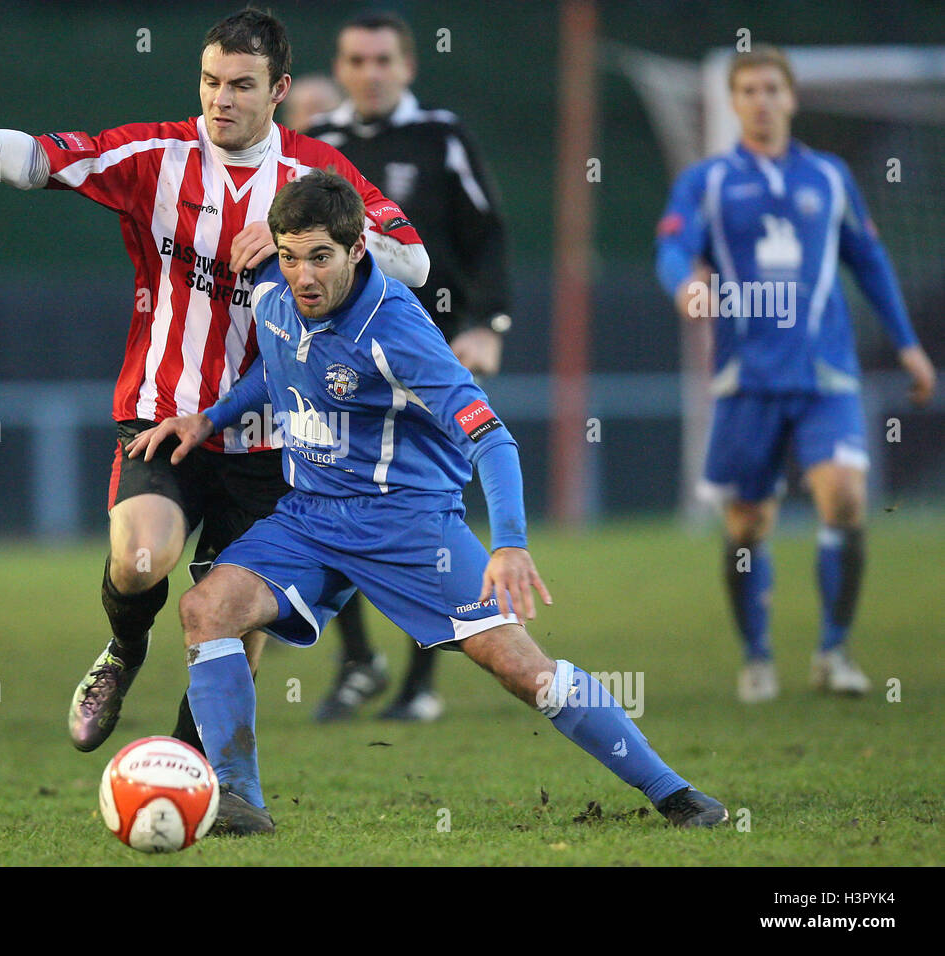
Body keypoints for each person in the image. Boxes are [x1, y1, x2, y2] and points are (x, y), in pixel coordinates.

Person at [129, 169, 727, 834]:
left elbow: (492, 439)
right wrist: (209, 419)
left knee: (522, 672)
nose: (303, 276)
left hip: (406, 525)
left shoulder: (398, 331)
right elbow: (274, 368)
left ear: (358, 251)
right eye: (290, 255)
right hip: (311, 518)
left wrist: (510, 544)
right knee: (207, 608)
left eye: (320, 258)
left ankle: (676, 794)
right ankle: (239, 802)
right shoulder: (274, 293)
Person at [0, 9, 430, 754]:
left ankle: (190, 765)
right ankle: (124, 651)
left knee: (234, 615)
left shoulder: (315, 175)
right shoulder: (159, 154)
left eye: (242, 85)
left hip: (272, 438)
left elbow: (413, 260)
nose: (222, 99)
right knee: (141, 556)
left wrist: (310, 241)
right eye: (212, 81)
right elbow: (45, 160)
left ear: (278, 89)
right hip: (165, 413)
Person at [656, 46, 936, 703]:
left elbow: (869, 261)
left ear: (791, 98)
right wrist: (685, 284)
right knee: (748, 526)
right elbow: (673, 247)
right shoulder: (709, 181)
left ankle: (833, 652)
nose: (760, 100)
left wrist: (909, 345)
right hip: (745, 380)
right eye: (748, 89)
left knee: (845, 496)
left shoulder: (830, 178)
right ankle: (757, 656)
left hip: (825, 375)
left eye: (771, 89)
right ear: (733, 102)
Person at [301, 12, 515, 722]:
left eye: (383, 59)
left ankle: (420, 686)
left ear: (407, 66)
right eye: (356, 60)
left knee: (422, 507)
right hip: (343, 358)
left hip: (434, 350)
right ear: (342, 65)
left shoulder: (442, 136)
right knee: (335, 496)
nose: (370, 72)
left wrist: (486, 325)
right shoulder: (321, 144)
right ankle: (360, 658)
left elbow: (487, 234)